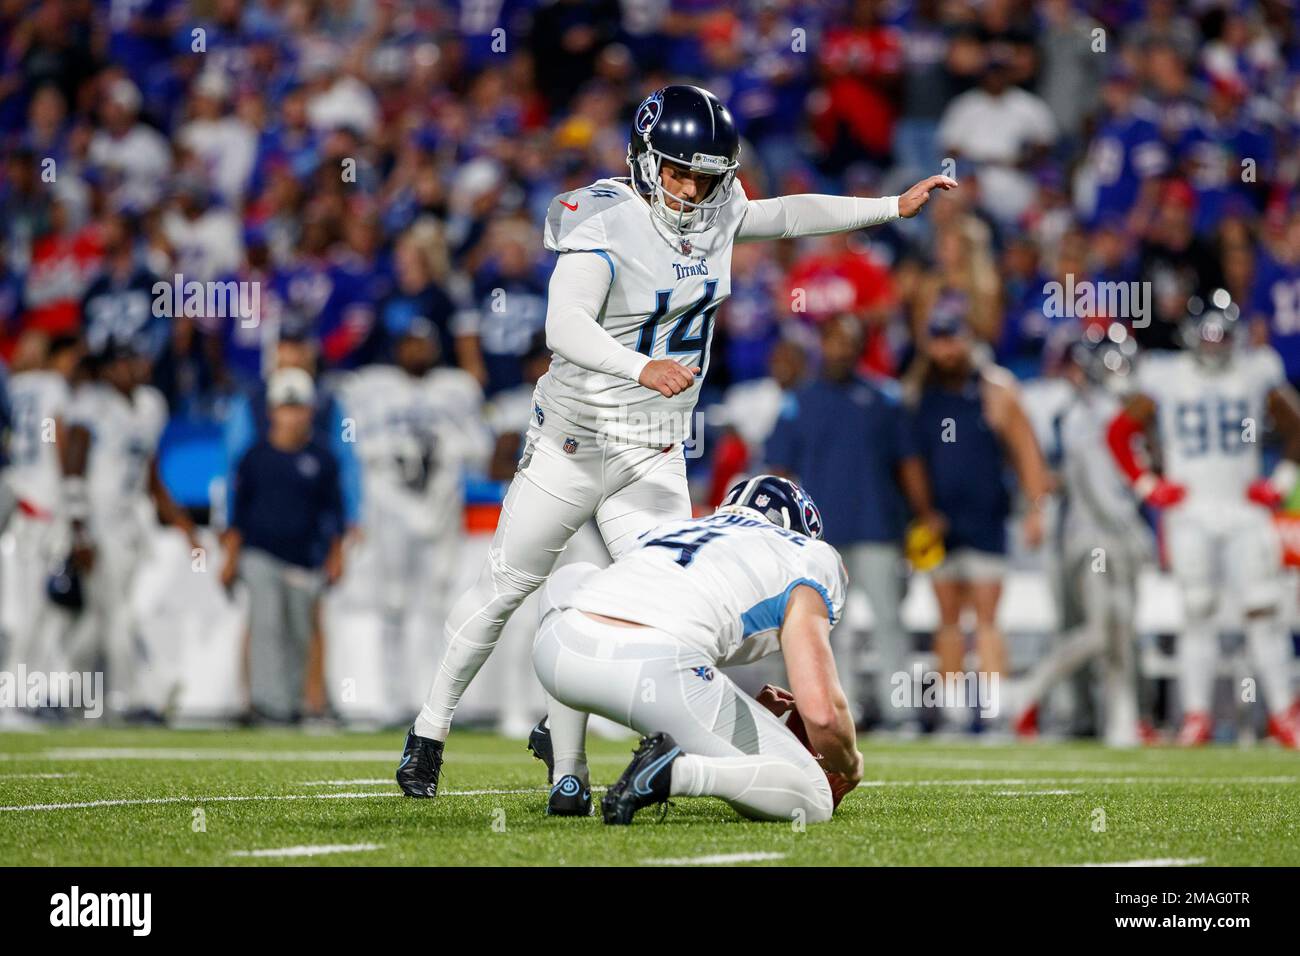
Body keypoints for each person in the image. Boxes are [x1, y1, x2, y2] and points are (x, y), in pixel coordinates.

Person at [397, 83, 957, 798]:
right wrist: (641, 365)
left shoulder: (719, 206)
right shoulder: (604, 217)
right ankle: (429, 734)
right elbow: (562, 326)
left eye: (704, 175)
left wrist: (890, 206)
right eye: (677, 171)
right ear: (642, 158)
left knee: (670, 612)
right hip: (575, 444)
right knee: (506, 585)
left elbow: (785, 216)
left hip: (654, 450)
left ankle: (611, 753)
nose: (691, 189)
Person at [530, 475, 860, 824]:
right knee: (815, 796)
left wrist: (751, 714)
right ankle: (678, 771)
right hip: (654, 669)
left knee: (573, 575)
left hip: (560, 651)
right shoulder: (809, 556)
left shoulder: (673, 532)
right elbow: (821, 713)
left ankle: (569, 773)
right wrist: (850, 764)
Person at [1106, 291, 1300, 748]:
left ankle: (1282, 714)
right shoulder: (1166, 376)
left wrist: (1282, 481)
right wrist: (1149, 486)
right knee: (1197, 612)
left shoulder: (1257, 371)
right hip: (1191, 511)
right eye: (1207, 334)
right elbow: (1117, 433)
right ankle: (1197, 717)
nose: (1214, 344)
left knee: (1263, 609)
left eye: (1221, 334)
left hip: (1243, 509)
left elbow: (1297, 427)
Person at [765, 315, 941, 730]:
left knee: (889, 625)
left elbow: (909, 463)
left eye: (850, 341)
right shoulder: (799, 401)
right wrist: (782, 531)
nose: (842, 349)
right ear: (821, 344)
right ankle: (836, 715)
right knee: (826, 632)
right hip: (819, 540)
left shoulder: (885, 398)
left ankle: (900, 714)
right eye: (834, 341)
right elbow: (780, 472)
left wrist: (925, 513)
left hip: (879, 527)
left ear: (862, 346)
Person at [332, 317, 489, 721]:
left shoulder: (456, 388)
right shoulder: (371, 385)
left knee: (440, 602)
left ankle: (436, 701)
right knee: (393, 601)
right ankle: (390, 696)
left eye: (424, 342)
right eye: (409, 342)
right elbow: (350, 438)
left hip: (438, 505)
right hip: (390, 506)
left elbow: (479, 447)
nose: (416, 350)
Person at [37, 337, 198, 717]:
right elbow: (73, 465)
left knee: (104, 615)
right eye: (126, 361)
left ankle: (61, 695)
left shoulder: (149, 405)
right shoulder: (92, 405)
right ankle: (135, 697)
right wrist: (78, 528)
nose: (136, 366)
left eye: (136, 358)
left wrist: (180, 520)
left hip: (130, 523)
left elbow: (150, 472)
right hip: (96, 521)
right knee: (117, 613)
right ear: (109, 368)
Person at [908, 306, 1050, 725]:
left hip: (986, 516)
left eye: (953, 337)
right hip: (937, 522)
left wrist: (1036, 508)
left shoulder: (995, 389)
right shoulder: (919, 391)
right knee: (947, 616)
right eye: (940, 338)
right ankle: (953, 712)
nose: (947, 348)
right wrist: (917, 514)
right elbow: (909, 460)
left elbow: (1026, 451)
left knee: (987, 616)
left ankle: (993, 709)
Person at [1013, 323, 1151, 746]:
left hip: (1112, 532)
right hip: (1093, 535)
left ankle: (1122, 723)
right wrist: (1137, 529)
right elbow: (1095, 490)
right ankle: (1029, 693)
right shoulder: (1081, 414)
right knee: (1101, 631)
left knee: (1121, 632)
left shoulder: (1115, 412)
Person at [221, 368, 346, 724]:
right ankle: (264, 704)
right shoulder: (254, 457)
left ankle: (295, 704)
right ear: (272, 410)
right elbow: (238, 515)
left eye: (298, 407)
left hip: (305, 559)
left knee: (301, 632)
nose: (292, 415)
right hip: (260, 554)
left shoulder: (322, 459)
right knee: (265, 624)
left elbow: (335, 514)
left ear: (309, 410)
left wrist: (336, 556)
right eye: (285, 407)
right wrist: (230, 558)